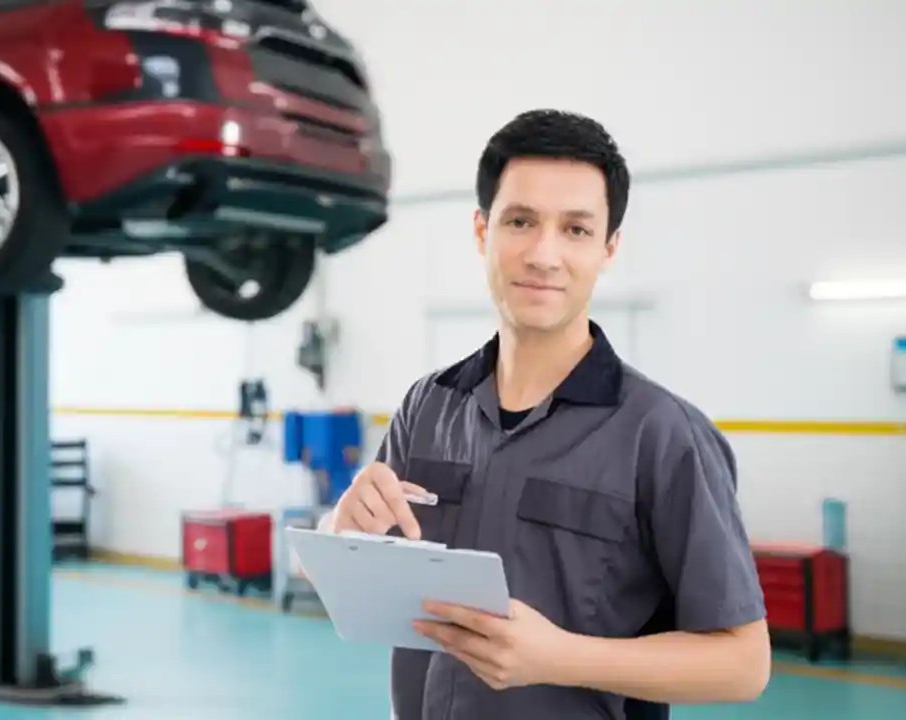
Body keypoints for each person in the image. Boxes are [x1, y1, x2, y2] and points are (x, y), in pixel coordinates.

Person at [325, 109, 771, 719]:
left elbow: (743, 663)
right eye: (520, 221)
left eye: (576, 230)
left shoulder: (662, 434)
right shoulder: (428, 405)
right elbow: (363, 572)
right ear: (481, 231)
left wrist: (561, 658)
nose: (543, 254)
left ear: (609, 248)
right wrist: (342, 526)